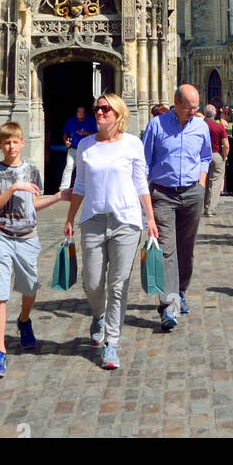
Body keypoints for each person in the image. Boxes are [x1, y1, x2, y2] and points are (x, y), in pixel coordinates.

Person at [64, 93, 158, 370]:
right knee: (92, 282)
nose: (100, 113)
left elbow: (141, 184)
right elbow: (79, 184)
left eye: (106, 109)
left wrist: (150, 219)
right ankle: (99, 314)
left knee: (118, 285)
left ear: (119, 114)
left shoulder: (132, 144)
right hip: (92, 219)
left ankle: (112, 343)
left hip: (126, 222)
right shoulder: (86, 145)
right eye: (98, 109)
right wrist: (70, 217)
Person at [0, 121, 69, 378]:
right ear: (0, 145)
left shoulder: (31, 170)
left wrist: (59, 197)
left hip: (27, 237)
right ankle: (0, 352)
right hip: (0, 236)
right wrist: (13, 187)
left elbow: (33, 205)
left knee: (30, 286)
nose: (11, 146)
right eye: (6, 142)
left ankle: (23, 320)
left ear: (22, 143)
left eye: (15, 141)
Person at [142, 84, 212, 332]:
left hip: (192, 193)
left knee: (186, 248)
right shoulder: (157, 125)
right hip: (163, 194)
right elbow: (144, 162)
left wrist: (202, 183)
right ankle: (168, 304)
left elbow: (206, 157)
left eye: (196, 107)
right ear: (176, 104)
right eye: (188, 107)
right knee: (166, 249)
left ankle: (180, 290)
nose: (193, 111)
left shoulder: (201, 126)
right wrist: (145, 200)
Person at [59, 105, 96, 189]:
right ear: (76, 113)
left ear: (85, 114)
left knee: (87, 168)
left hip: (86, 149)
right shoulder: (71, 120)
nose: (80, 119)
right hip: (73, 148)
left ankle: (88, 188)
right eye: (79, 117)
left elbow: (96, 134)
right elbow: (65, 133)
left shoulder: (91, 120)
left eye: (82, 118)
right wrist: (66, 141)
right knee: (69, 166)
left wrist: (86, 133)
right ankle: (63, 188)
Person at [203, 104, 229, 217]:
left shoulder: (200, 126)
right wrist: (224, 156)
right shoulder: (219, 127)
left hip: (202, 156)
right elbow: (226, 145)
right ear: (214, 114)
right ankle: (210, 209)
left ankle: (203, 206)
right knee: (215, 183)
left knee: (203, 181)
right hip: (216, 154)